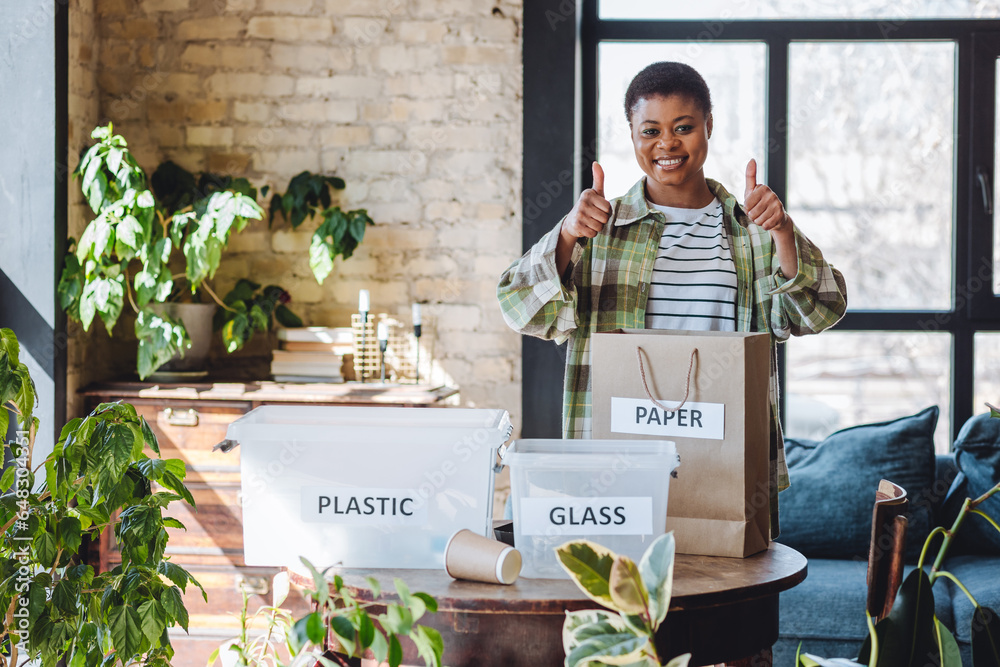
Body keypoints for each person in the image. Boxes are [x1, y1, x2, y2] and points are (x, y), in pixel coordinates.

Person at [496, 61, 847, 536]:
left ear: (708, 127)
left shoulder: (752, 228)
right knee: (624, 599)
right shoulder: (600, 227)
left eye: (683, 127)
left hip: (724, 450)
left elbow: (821, 310)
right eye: (651, 130)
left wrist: (783, 231)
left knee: (725, 600)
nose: (667, 143)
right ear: (632, 135)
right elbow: (519, 307)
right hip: (617, 459)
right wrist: (565, 234)